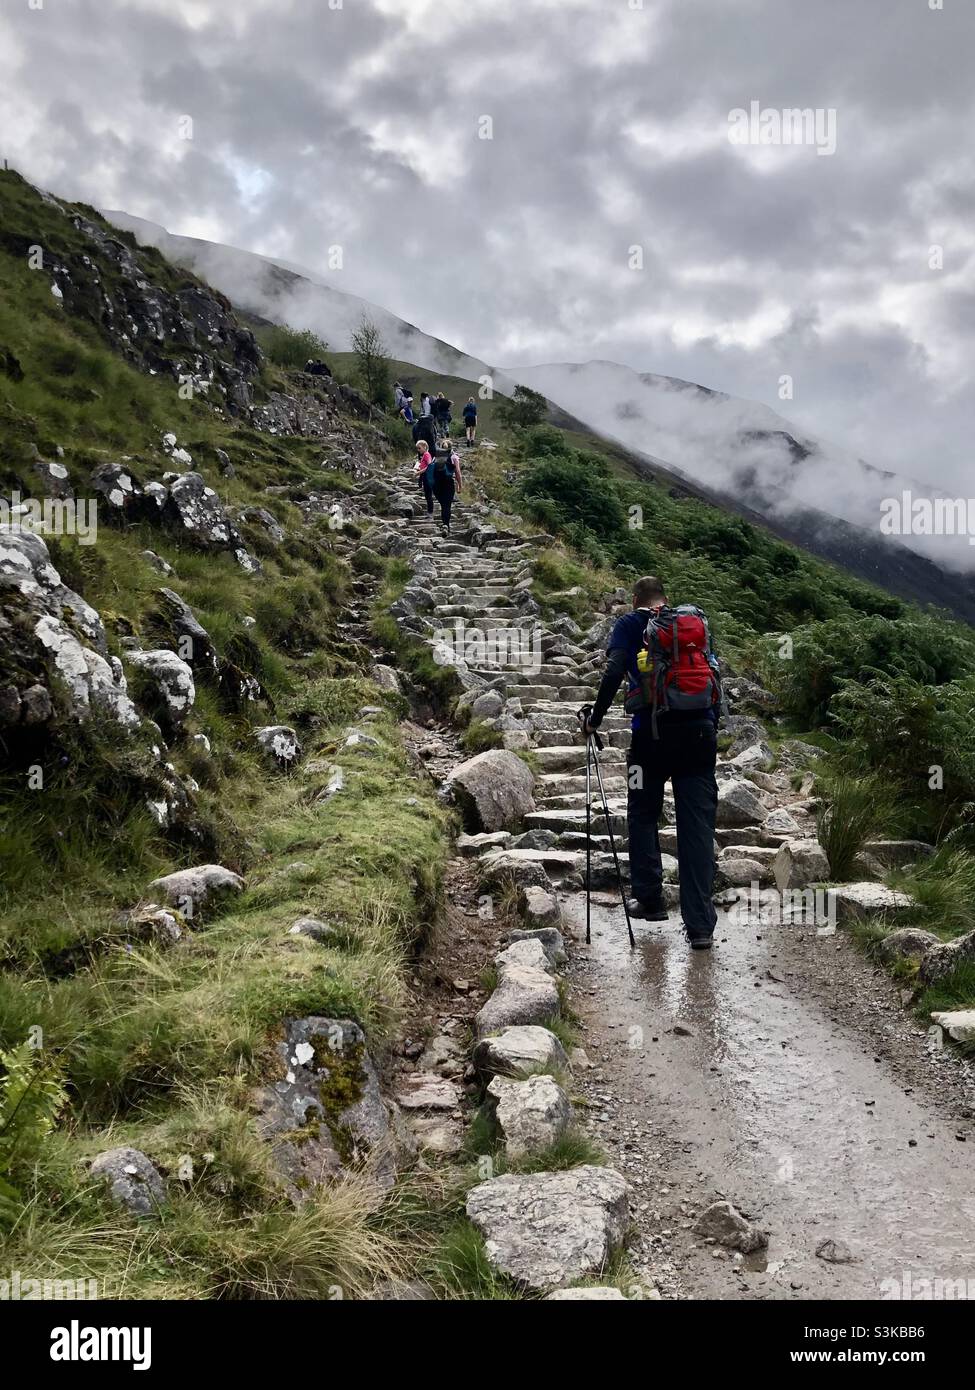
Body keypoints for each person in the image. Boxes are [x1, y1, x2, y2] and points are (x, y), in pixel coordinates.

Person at [581, 576, 721, 950]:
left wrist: (594, 720)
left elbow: (613, 672)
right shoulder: (692, 625)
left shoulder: (630, 624)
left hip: (649, 741)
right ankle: (700, 927)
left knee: (642, 811)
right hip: (699, 738)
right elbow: (714, 678)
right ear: (666, 597)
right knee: (696, 828)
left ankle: (650, 900)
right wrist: (711, 728)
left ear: (634, 599)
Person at [430, 437, 462, 532]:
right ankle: (445, 525)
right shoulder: (454, 457)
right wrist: (460, 485)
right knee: (446, 505)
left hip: (436, 483)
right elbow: (457, 472)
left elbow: (430, 469)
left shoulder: (435, 456)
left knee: (443, 504)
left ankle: (445, 524)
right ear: (451, 448)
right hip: (448, 482)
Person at [413, 439, 434, 516]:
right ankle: (429, 511)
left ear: (424, 447)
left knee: (428, 495)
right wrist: (418, 469)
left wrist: (418, 472)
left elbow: (429, 466)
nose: (418, 450)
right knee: (427, 494)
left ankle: (430, 512)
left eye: (419, 448)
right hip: (425, 476)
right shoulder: (425, 455)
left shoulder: (426, 455)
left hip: (427, 477)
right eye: (417, 448)